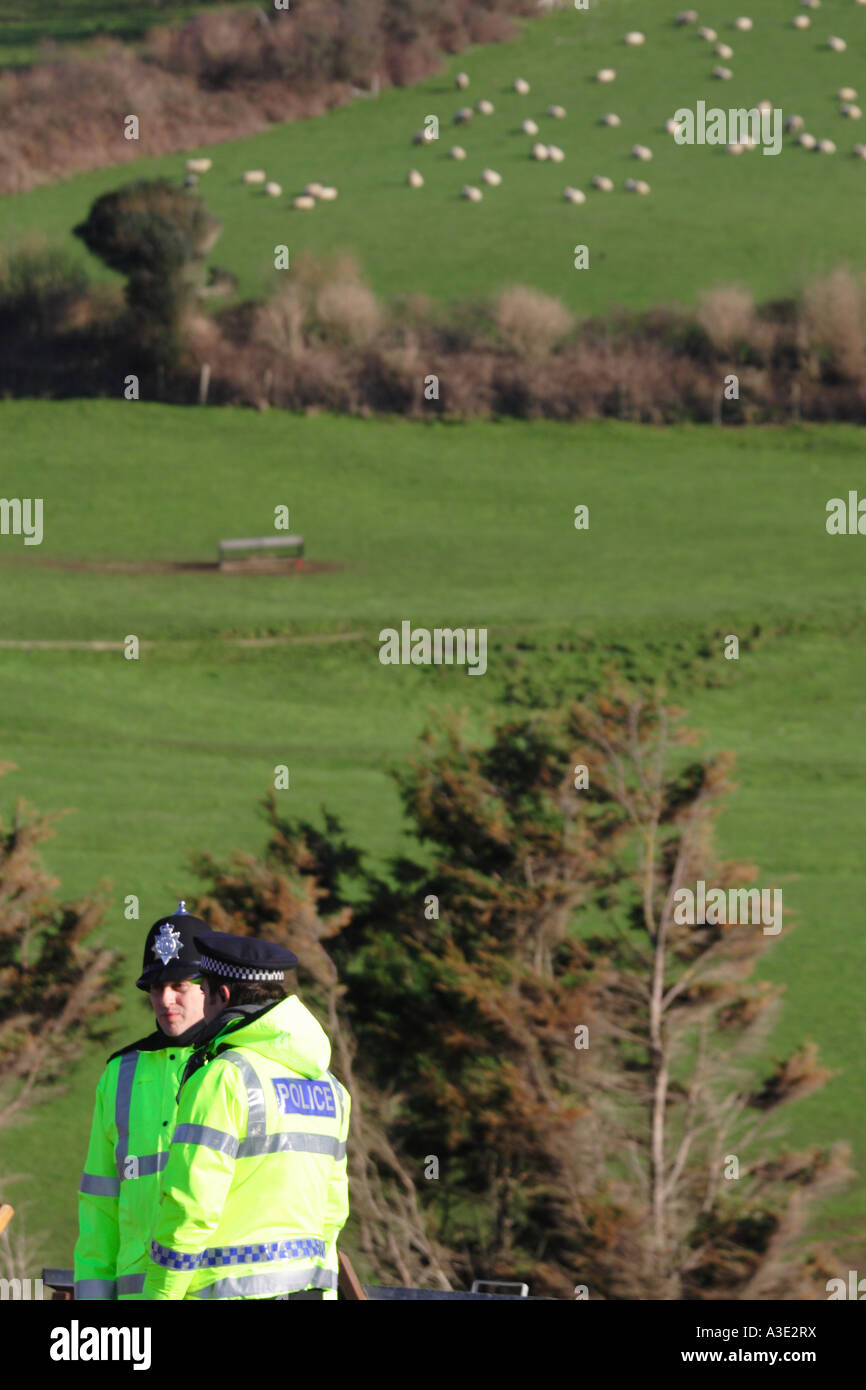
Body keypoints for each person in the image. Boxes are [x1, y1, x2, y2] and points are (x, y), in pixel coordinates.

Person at [142, 929, 351, 1300]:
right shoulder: (330, 1087)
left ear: (223, 996)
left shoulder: (223, 1078)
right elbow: (333, 1212)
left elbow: (190, 1208)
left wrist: (159, 1296)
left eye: (202, 991)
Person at [73, 902, 210, 1299]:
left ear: (209, 985)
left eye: (179, 986)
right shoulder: (119, 1073)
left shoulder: (234, 1066)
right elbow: (99, 1203)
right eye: (155, 987)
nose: (165, 1000)